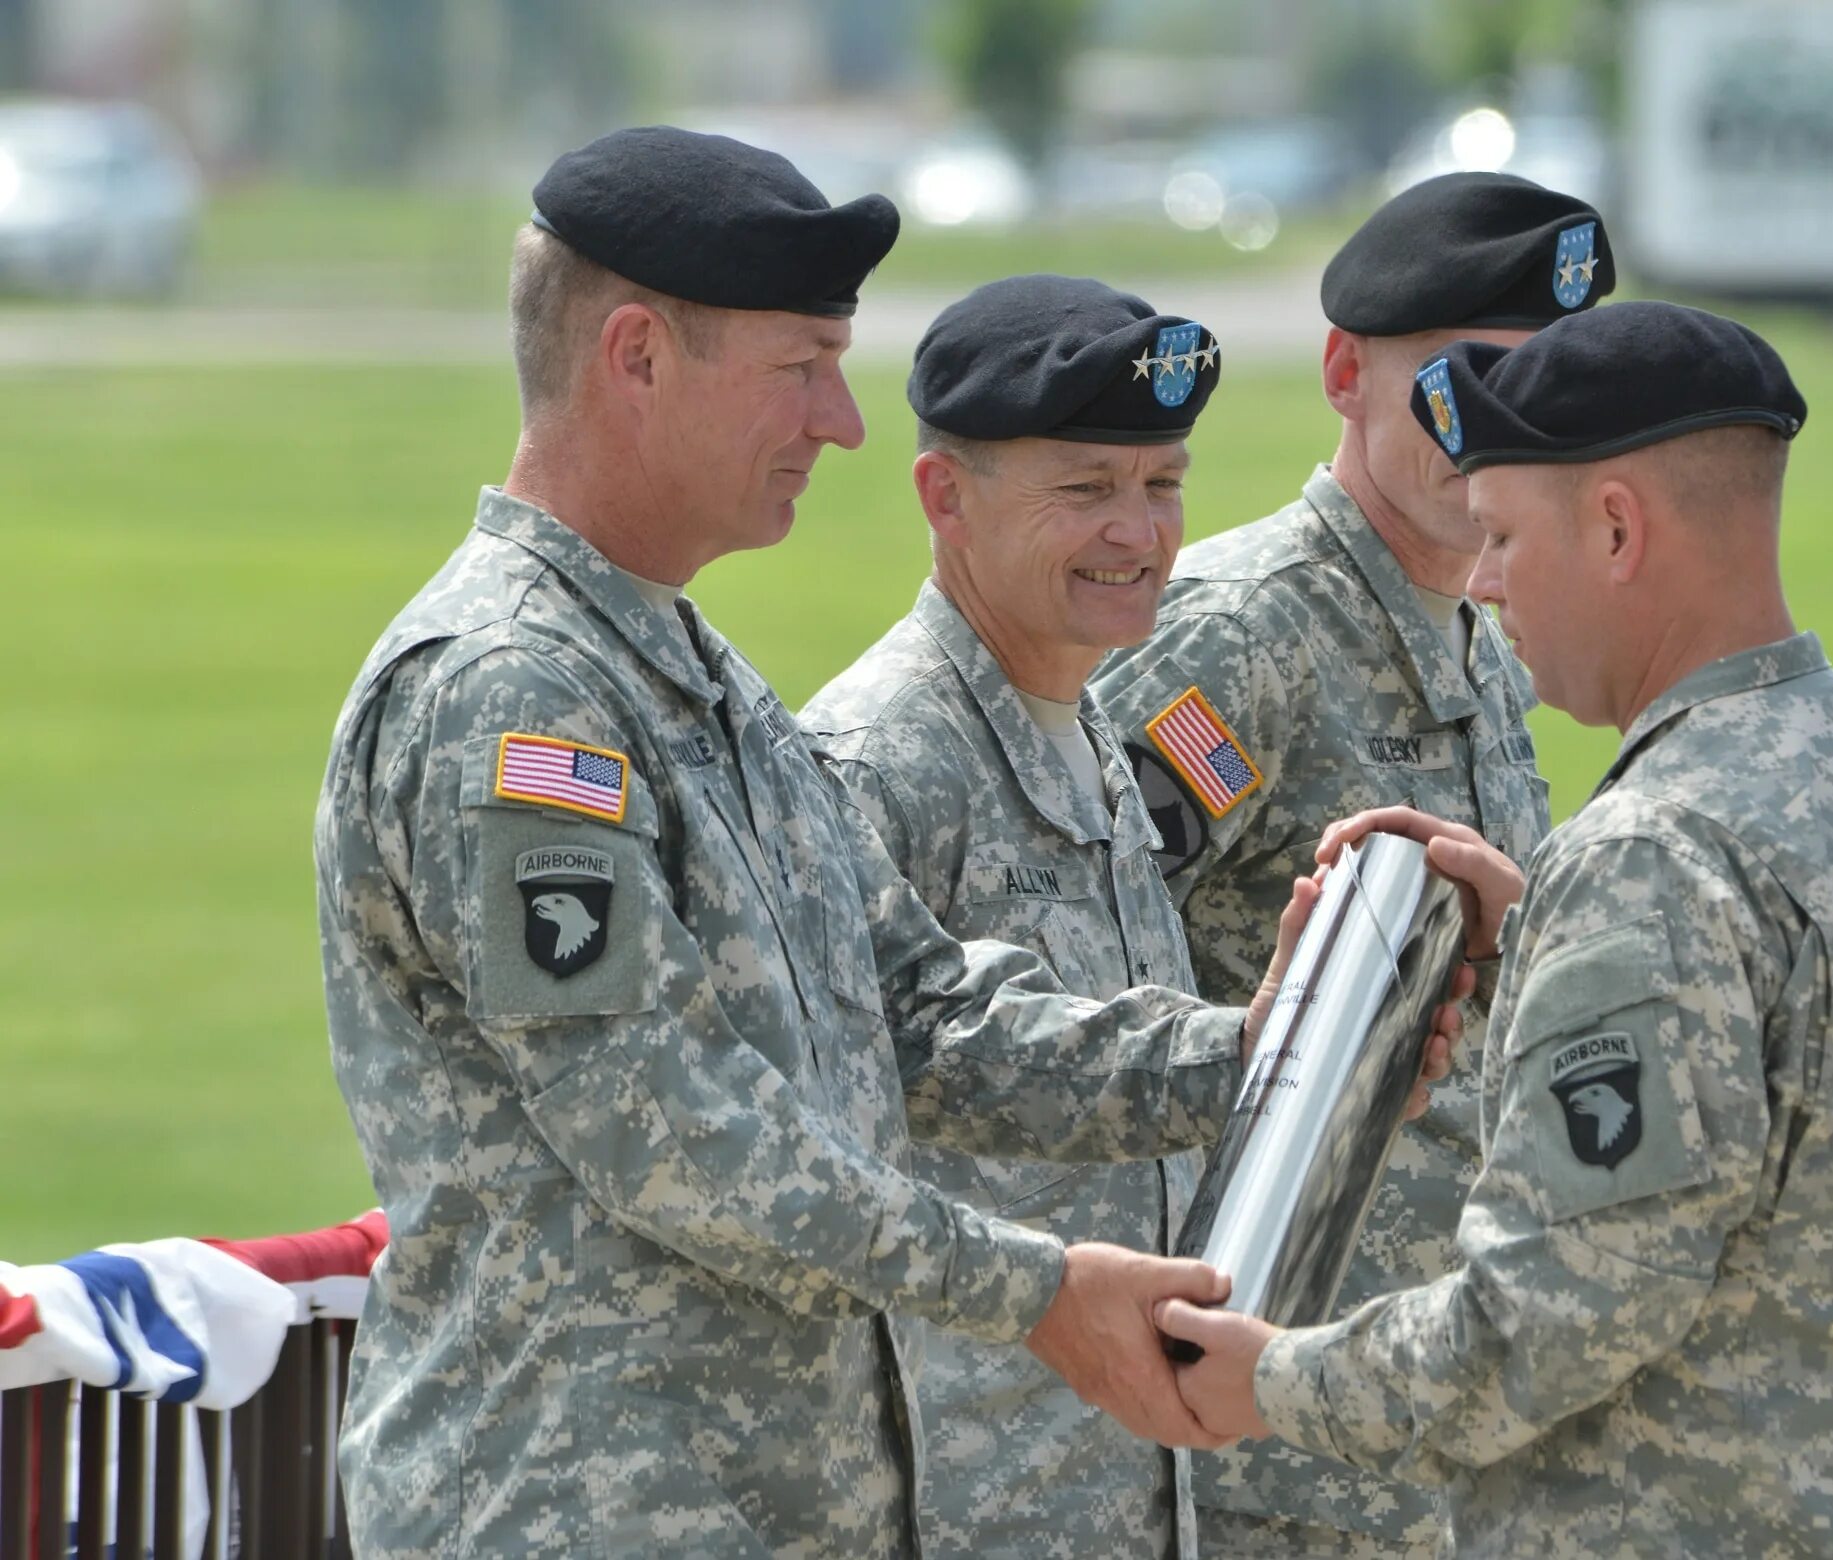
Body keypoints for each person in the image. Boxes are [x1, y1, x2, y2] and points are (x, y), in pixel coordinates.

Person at [313, 128, 1417, 1559]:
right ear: (637, 356)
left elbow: (926, 1017)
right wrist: (1037, 1289)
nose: (841, 422)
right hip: (574, 1510)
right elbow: (675, 1133)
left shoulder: (697, 682)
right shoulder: (511, 691)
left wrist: (1274, 1050)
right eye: (801, 368)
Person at [1159, 302, 1833, 1559]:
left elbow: (1550, 1317)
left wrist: (1266, 1378)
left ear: (1617, 526)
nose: (1483, 579)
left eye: (1505, 533)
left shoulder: (1652, 855)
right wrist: (1548, 950)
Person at [1091, 171, 1613, 1558]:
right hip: (1274, 1439)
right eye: (1458, 385)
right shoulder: (1240, 639)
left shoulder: (1479, 635)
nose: (1497, 427)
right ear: (1344, 373)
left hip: (1423, 1415)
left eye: (1540, 384)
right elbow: (1076, 966)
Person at [801, 275, 1223, 1558]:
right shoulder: (877, 762)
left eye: (1162, 485)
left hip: (1136, 1488)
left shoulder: (1095, 720)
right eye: (1086, 490)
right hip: (972, 1503)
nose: (1138, 533)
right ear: (946, 498)